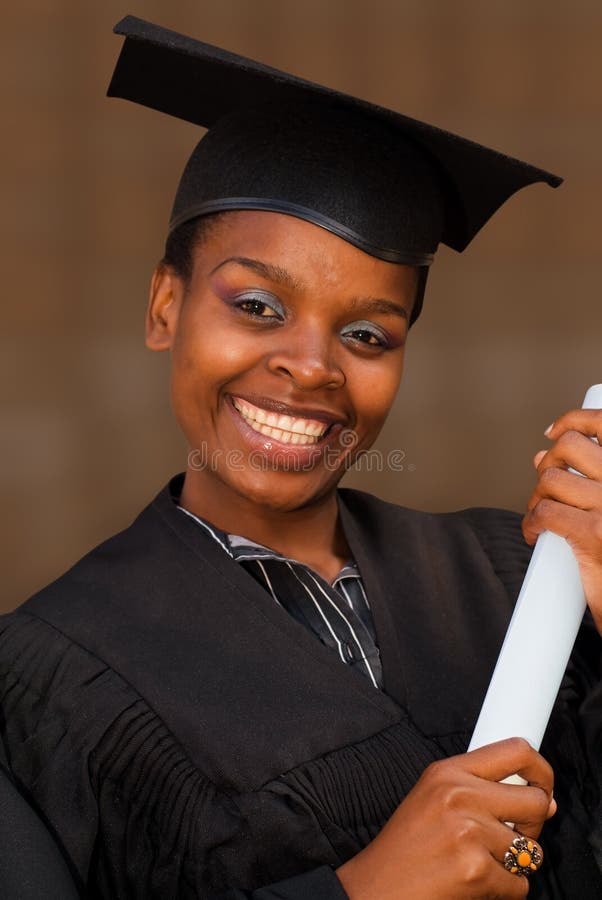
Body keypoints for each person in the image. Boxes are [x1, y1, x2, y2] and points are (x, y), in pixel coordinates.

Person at [0, 15, 600, 900]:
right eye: (256, 305)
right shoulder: (44, 675)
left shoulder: (524, 577)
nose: (311, 367)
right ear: (166, 308)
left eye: (367, 333)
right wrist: (361, 893)